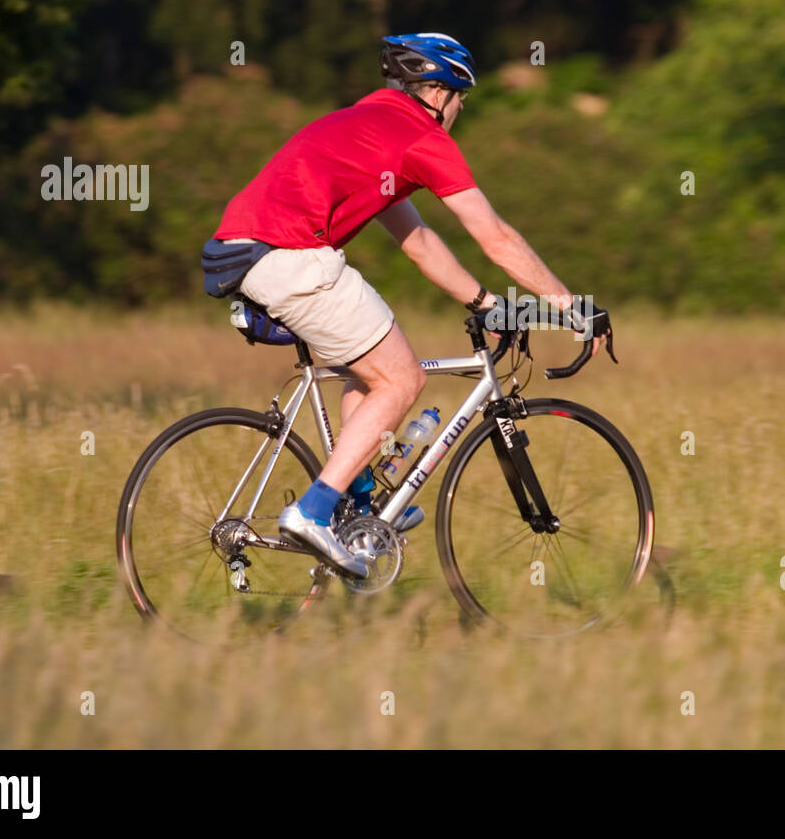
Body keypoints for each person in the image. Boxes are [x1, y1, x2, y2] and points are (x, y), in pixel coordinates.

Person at [208, 32, 608, 576]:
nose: (459, 110)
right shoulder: (421, 136)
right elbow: (495, 237)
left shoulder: (368, 125)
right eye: (461, 98)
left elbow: (417, 241)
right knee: (402, 380)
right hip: (293, 255)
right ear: (440, 93)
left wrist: (488, 301)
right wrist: (570, 306)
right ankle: (315, 509)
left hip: (241, 252)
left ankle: (355, 505)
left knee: (370, 370)